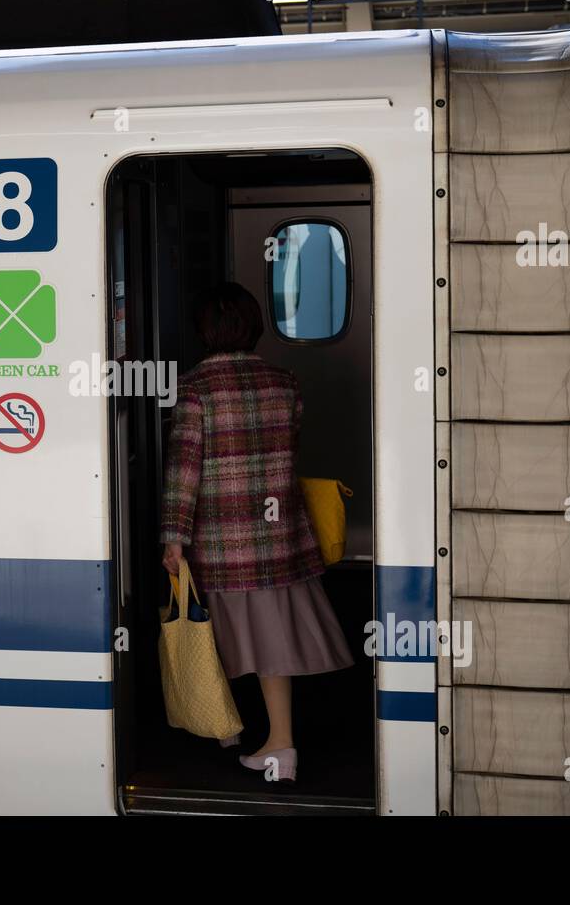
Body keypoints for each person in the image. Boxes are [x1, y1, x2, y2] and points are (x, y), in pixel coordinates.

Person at [159, 281, 353, 782]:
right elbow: (289, 442)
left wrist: (173, 538)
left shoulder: (195, 388)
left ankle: (224, 727)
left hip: (220, 541)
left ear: (203, 331)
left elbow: (184, 470)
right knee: (273, 641)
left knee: (211, 634)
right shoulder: (284, 382)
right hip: (277, 537)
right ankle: (281, 745)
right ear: (254, 326)